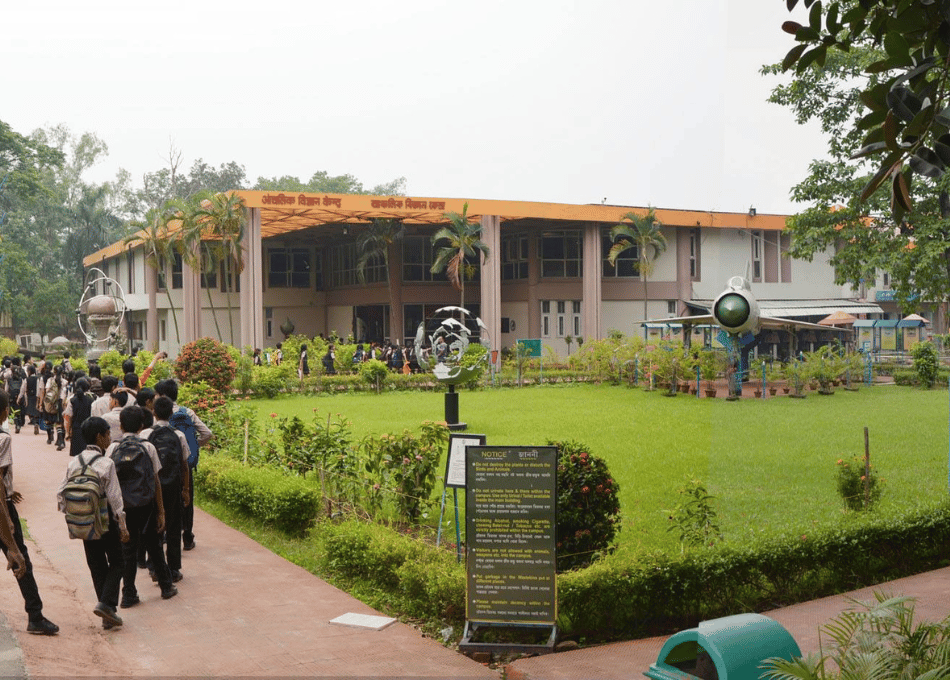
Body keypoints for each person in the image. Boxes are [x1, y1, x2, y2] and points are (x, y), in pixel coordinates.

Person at [56, 416, 130, 629]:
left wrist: (75, 513)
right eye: (107, 434)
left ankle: (107, 613)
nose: (109, 438)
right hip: (105, 520)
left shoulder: (74, 462)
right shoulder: (106, 463)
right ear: (99, 437)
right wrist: (123, 525)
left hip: (85, 521)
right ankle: (107, 605)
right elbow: (116, 498)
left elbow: (61, 493)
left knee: (96, 564)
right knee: (118, 562)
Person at [0, 390, 58, 635]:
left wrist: (9, 489)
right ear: (5, 412)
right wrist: (9, 538)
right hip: (2, 510)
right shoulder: (3, 439)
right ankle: (35, 615)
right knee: (20, 559)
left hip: (4, 499)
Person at [106, 405, 177, 607]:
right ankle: (166, 587)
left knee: (127, 550)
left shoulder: (112, 448)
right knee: (154, 545)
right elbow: (156, 481)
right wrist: (161, 511)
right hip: (147, 505)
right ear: (142, 425)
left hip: (124, 507)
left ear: (120, 425)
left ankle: (128, 594)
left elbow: (110, 481)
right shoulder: (148, 447)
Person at [153, 379, 212, 551]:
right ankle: (187, 536)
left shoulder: (157, 415)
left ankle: (165, 533)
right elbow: (207, 433)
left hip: (164, 467)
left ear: (162, 396)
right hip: (185, 464)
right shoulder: (188, 412)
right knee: (187, 499)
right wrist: (192, 446)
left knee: (165, 500)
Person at [145, 396, 190, 583]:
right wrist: (186, 489)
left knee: (154, 526)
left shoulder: (146, 434)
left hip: (152, 488)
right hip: (172, 486)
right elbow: (185, 465)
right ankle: (173, 569)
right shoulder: (178, 435)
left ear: (153, 412)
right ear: (171, 413)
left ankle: (155, 567)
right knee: (173, 527)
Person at [63, 377, 96, 457]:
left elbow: (68, 417)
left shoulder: (72, 400)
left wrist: (68, 431)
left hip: (76, 429)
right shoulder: (93, 399)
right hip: (89, 430)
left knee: (77, 455)